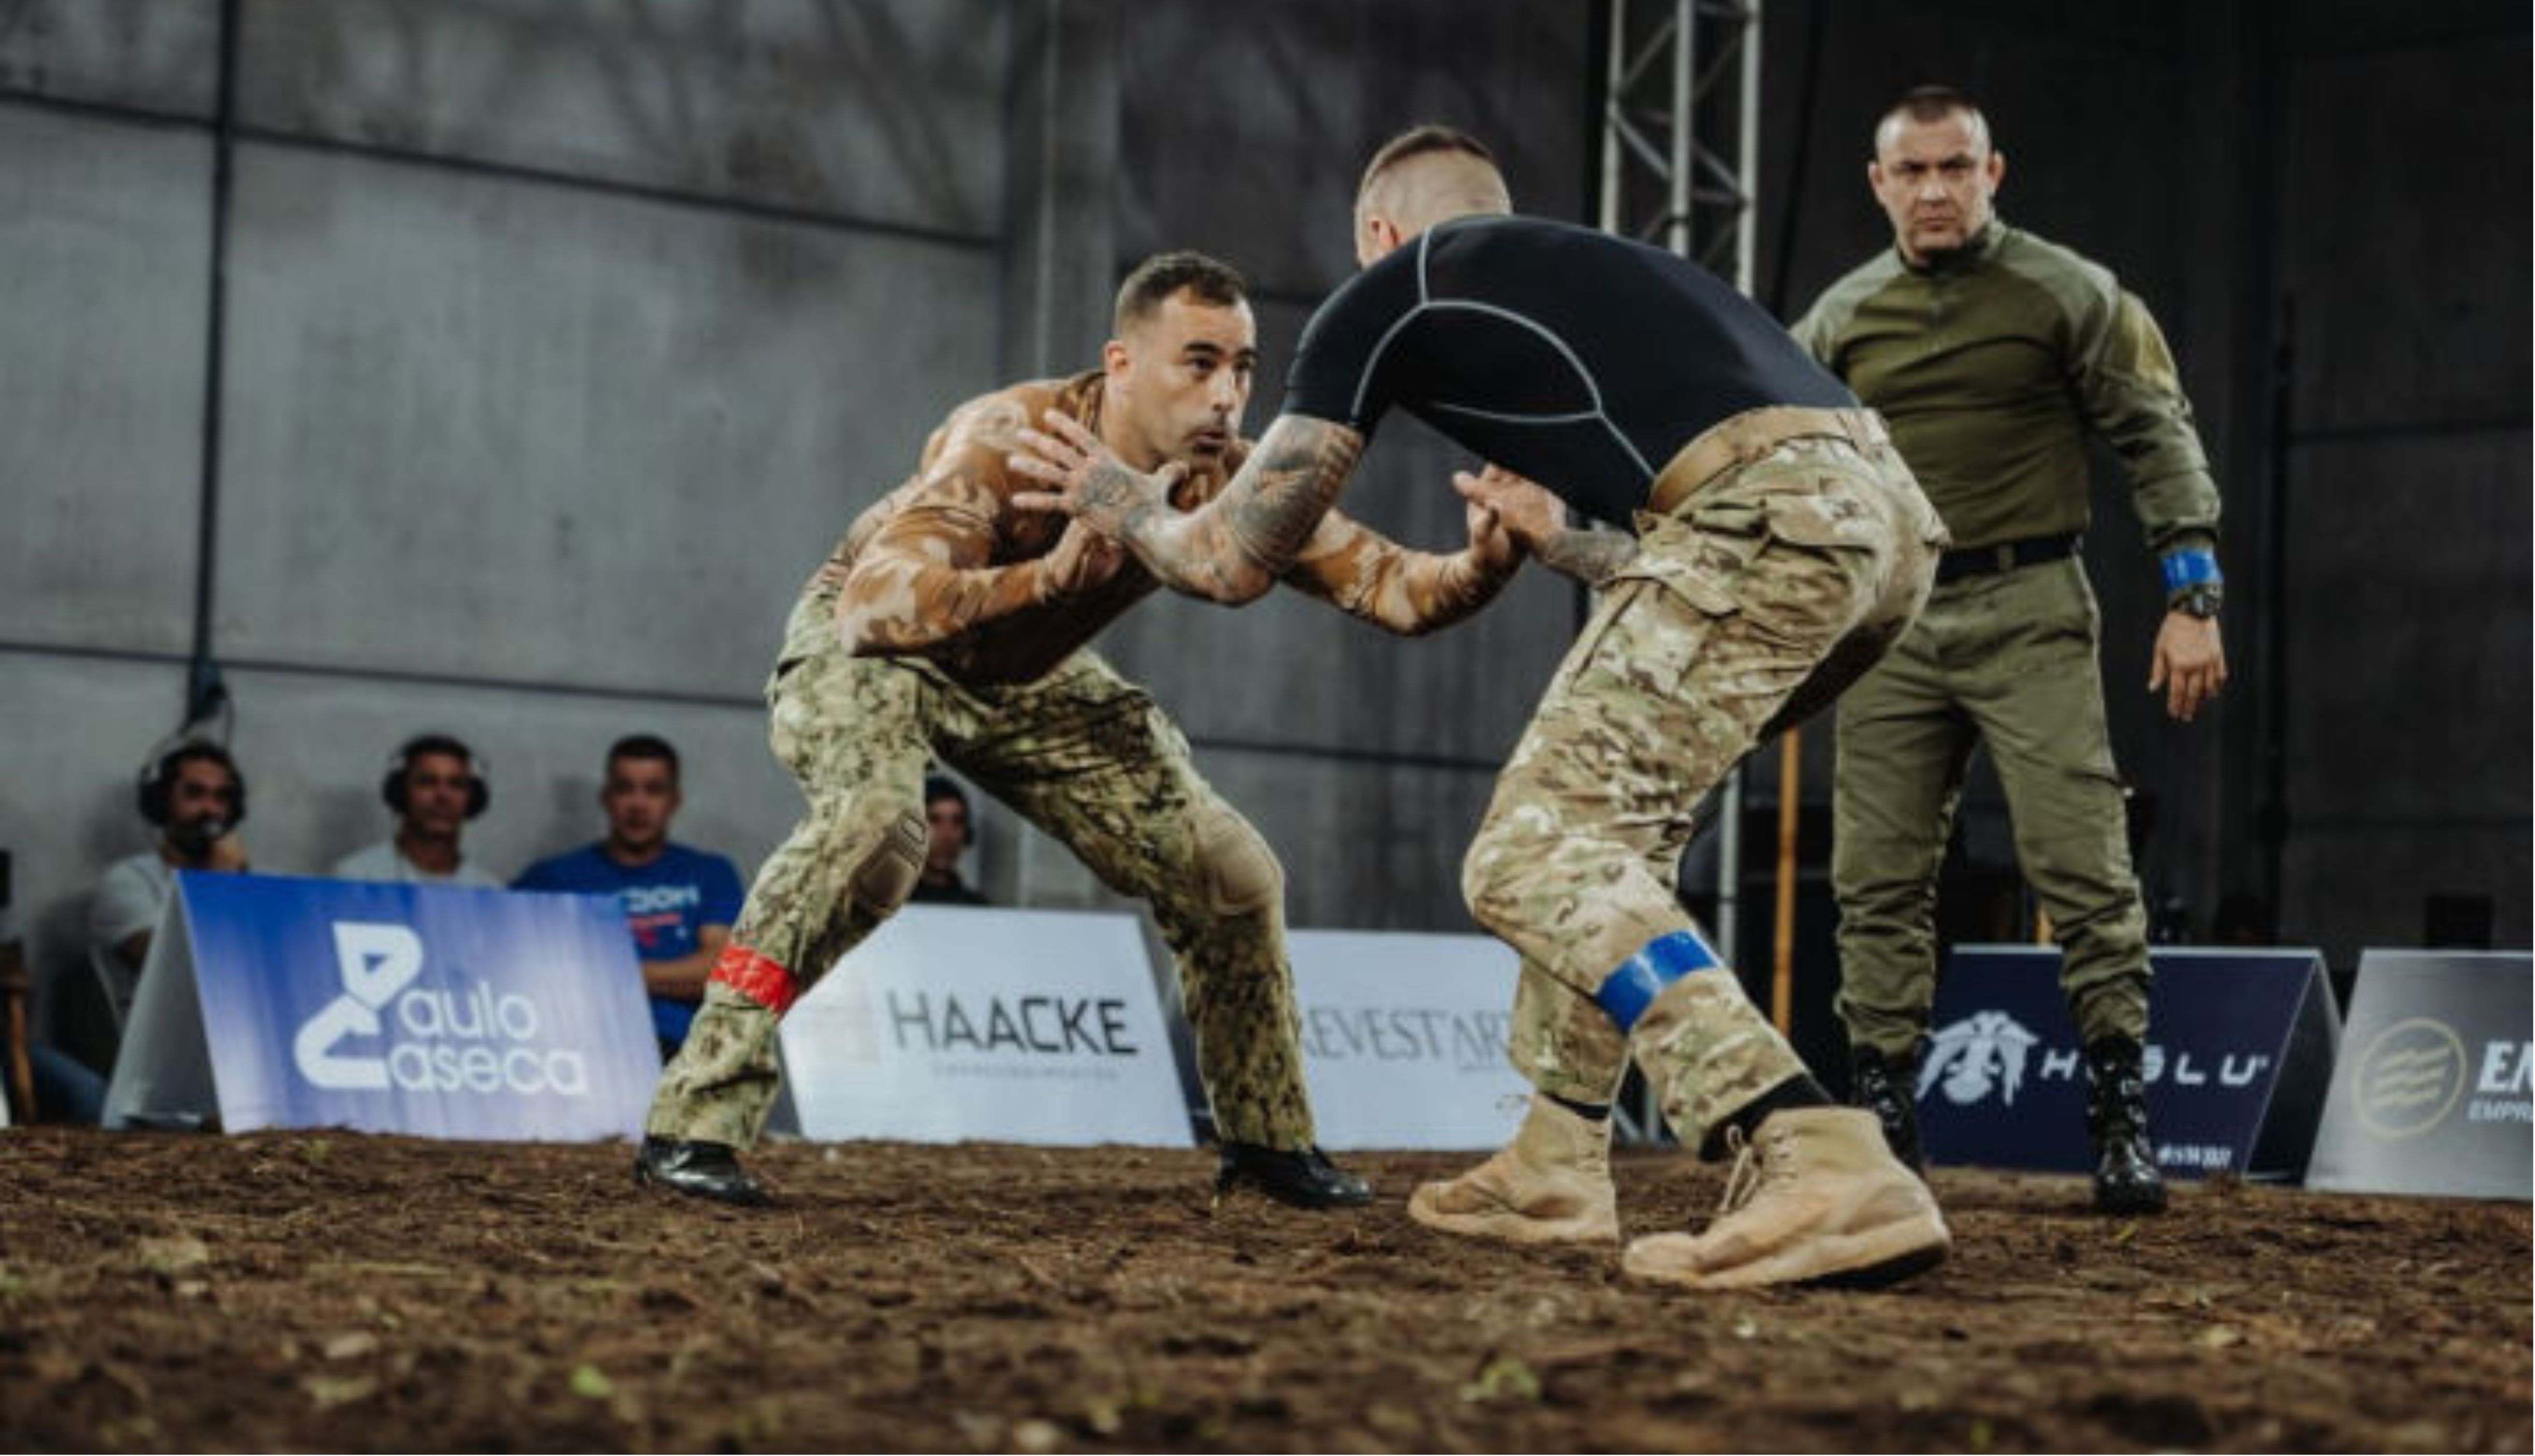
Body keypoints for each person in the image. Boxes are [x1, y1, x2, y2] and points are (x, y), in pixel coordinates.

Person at [1012, 127, 1954, 1290]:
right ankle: (1557, 1160)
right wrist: (1558, 541)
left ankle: (1810, 1146)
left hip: (1766, 518)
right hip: (1890, 525)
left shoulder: (1392, 290)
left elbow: (1235, 562)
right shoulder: (1604, 275)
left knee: (1527, 850)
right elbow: (1748, 518)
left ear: (1378, 232)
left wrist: (1122, 504)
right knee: (1617, 836)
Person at [634, 249, 1532, 1210]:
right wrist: (1046, 581)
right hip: (879, 646)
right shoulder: (1014, 439)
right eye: (1199, 362)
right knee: (875, 833)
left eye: (1244, 367)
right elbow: (871, 608)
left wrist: (1483, 562)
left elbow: (1391, 587)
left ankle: (1268, 1142)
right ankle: (693, 1120)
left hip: (1022, 672)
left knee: (1233, 877)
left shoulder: (1224, 477)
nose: (1229, 395)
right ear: (1122, 365)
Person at [1792, 86, 2228, 1216]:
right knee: (1875, 879)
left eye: (1955, 167)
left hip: (2032, 603)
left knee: (2083, 864)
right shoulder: (1841, 318)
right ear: (1878, 183)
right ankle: (1884, 1118)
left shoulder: (2066, 291)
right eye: (1912, 171)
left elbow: (2154, 425)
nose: (1934, 189)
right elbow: (1775, 459)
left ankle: (2120, 1110)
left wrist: (2193, 586)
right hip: (1894, 619)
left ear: (1993, 173)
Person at [513, 735, 745, 1059]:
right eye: (625, 789)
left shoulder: (710, 873)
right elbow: (515, 968)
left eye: (654, 790)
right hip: (577, 1048)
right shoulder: (553, 878)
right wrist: (671, 976)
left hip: (681, 1055)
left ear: (674, 800)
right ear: (606, 798)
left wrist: (603, 974)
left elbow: (722, 972)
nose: (638, 804)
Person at [90, 741, 253, 1029]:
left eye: (221, 798)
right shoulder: (129, 881)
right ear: (162, 802)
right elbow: (177, 967)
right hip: (164, 1043)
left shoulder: (245, 881)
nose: (211, 810)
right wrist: (217, 885)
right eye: (195, 794)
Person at [331, 734, 502, 887]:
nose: (443, 796)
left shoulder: (488, 889)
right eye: (427, 782)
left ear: (473, 798)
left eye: (456, 784)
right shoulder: (357, 877)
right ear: (400, 792)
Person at [908, 775, 990, 905]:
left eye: (957, 822)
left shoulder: (978, 908)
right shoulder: (888, 905)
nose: (947, 835)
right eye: (934, 820)